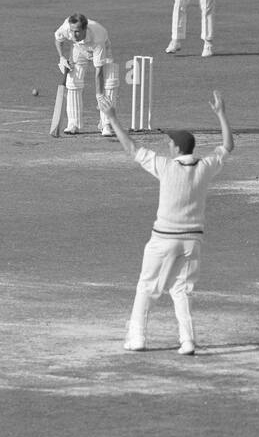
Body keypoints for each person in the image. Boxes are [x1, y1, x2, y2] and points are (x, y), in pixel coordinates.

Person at [99, 90, 235, 355]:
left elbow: (131, 148)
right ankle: (188, 342)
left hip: (163, 239)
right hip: (192, 241)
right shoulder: (205, 166)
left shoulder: (166, 166)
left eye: (169, 142)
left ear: (176, 147)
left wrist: (112, 117)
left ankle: (137, 338)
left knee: (147, 286)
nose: (167, 145)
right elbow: (228, 146)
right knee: (182, 291)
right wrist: (221, 114)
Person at [54, 12, 119, 135]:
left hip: (101, 48)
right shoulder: (66, 27)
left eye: (77, 31)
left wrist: (99, 95)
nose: (73, 34)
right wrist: (61, 57)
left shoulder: (98, 35)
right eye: (72, 31)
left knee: (110, 83)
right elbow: (58, 40)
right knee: (73, 82)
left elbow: (99, 71)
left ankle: (106, 124)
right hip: (79, 48)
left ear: (85, 29)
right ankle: (73, 124)